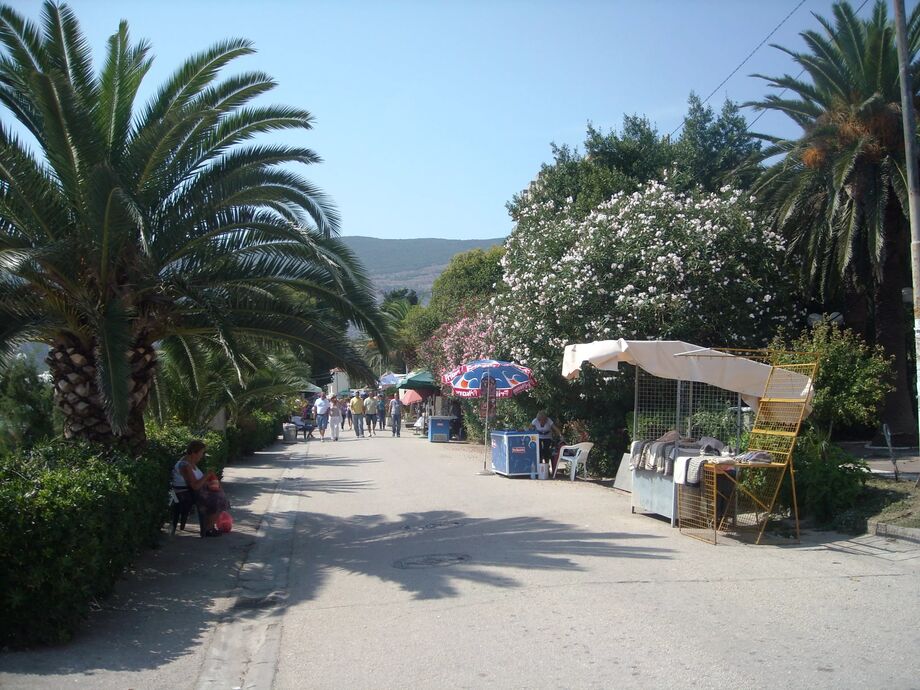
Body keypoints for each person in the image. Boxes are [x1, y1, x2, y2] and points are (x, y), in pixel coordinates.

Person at [171, 440, 222, 537]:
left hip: (192, 492)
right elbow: (194, 485)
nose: (202, 456)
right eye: (201, 453)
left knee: (219, 495)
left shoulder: (190, 463)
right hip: (186, 495)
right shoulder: (185, 465)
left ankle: (209, 527)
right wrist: (207, 475)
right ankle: (208, 528)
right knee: (218, 499)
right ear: (194, 453)